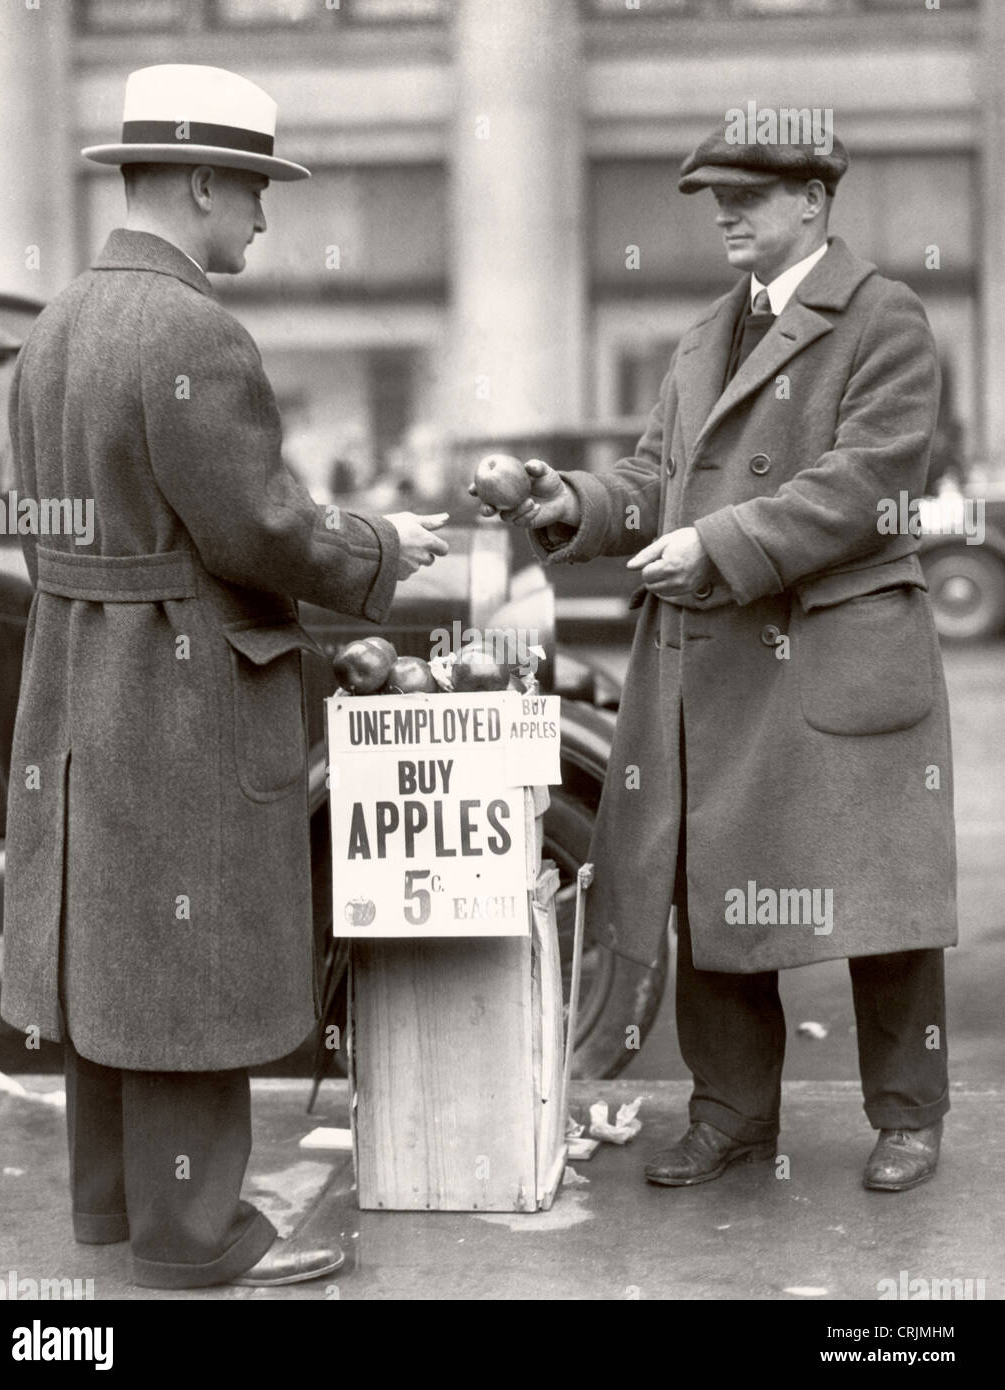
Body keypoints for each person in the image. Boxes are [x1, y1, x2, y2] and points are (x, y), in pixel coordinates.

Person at [1, 64, 448, 1288]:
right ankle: (200, 1239)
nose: (261, 216)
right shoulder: (194, 330)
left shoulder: (55, 324)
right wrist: (379, 545)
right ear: (202, 181)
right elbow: (254, 531)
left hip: (76, 679)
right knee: (185, 961)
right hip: (177, 686)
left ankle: (118, 1213)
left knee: (109, 952)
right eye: (254, 189)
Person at [475, 122, 955, 1192]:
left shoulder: (883, 316)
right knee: (713, 888)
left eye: (747, 194)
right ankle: (732, 1113)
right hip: (725, 653)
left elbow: (863, 483)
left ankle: (907, 1116)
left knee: (879, 900)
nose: (724, 213)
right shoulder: (705, 335)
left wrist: (717, 542)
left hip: (836, 648)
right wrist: (573, 502)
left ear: (811, 199)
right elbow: (656, 479)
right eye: (713, 198)